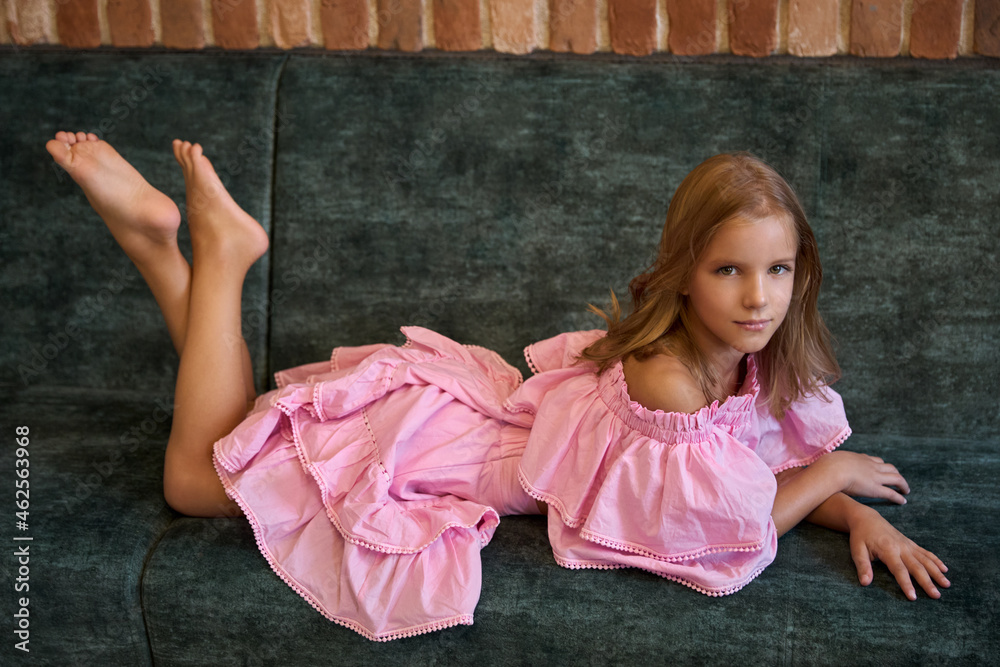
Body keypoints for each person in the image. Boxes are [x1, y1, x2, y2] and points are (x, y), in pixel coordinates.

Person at [47, 132, 949, 642]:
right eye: (729, 272)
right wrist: (831, 481)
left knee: (246, 436)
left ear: (801, 272)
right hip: (448, 450)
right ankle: (223, 259)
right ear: (681, 274)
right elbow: (735, 524)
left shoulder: (743, 357)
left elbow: (761, 460)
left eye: (779, 270)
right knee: (200, 481)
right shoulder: (668, 379)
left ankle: (162, 249)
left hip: (457, 414)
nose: (759, 298)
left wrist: (859, 512)